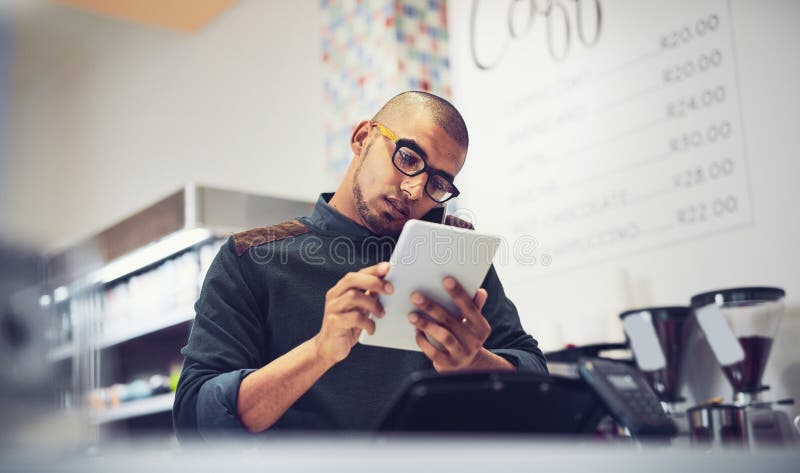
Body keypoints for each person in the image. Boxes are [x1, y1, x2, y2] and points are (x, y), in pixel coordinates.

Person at [173, 91, 547, 440]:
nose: (415, 191)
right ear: (362, 138)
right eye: (408, 158)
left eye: (438, 184)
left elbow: (536, 383)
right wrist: (319, 351)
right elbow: (194, 420)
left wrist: (473, 362)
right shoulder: (252, 257)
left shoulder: (452, 254)